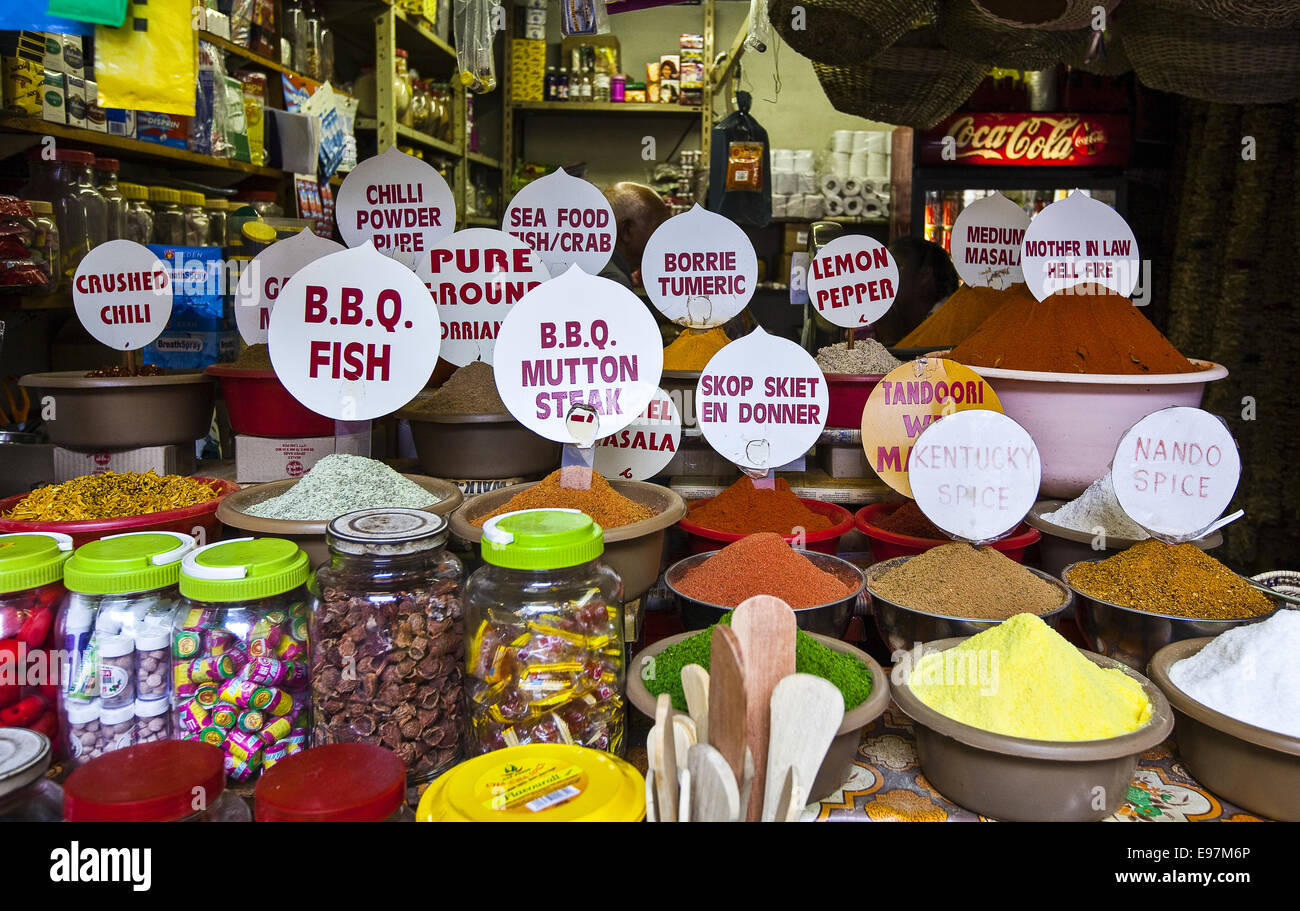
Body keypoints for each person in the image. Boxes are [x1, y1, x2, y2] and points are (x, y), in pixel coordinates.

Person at [869, 236, 960, 346]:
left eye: (894, 267)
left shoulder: (947, 326)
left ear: (924, 276)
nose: (882, 277)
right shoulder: (896, 318)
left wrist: (889, 340)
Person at [600, 181, 669, 289]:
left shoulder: (600, 269)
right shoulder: (615, 282)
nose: (665, 238)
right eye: (659, 228)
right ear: (627, 231)